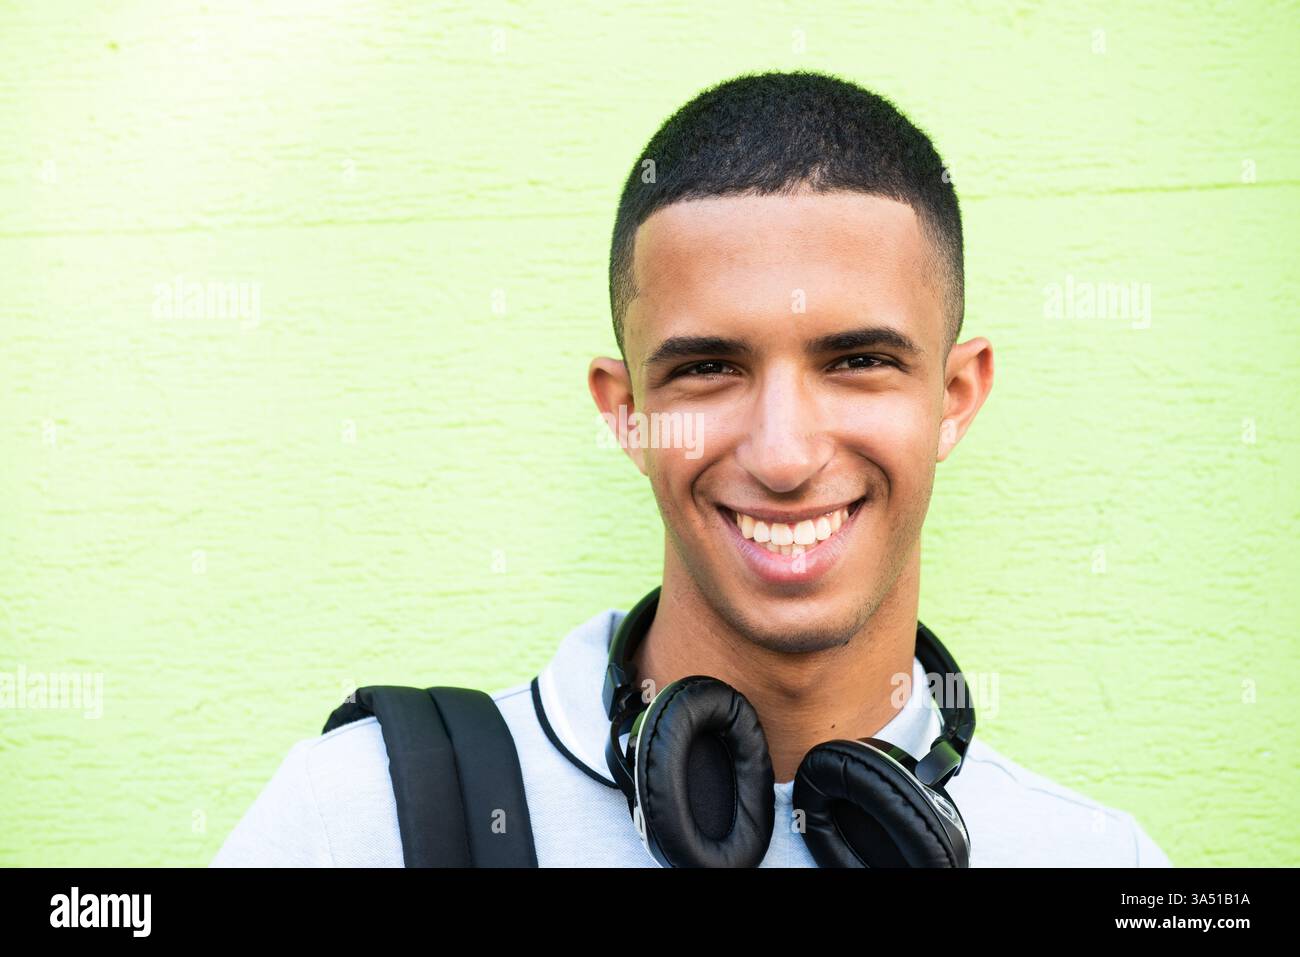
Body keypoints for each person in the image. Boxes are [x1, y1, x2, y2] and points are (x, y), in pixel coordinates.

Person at [212, 69, 1171, 867]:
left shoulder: (1096, 859)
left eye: (858, 361)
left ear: (954, 397)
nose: (785, 455)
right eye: (709, 368)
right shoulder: (355, 820)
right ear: (625, 414)